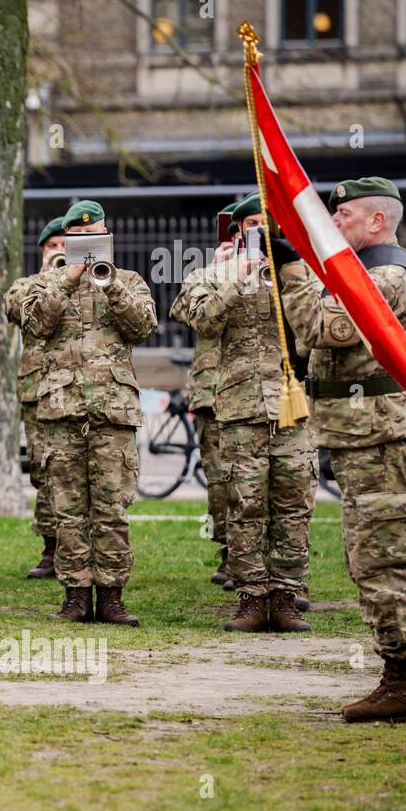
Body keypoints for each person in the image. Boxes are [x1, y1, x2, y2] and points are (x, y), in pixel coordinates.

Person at [280, 176, 406, 720]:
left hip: (382, 441)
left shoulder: (386, 276)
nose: (331, 225)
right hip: (362, 439)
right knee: (372, 557)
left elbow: (320, 328)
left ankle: (402, 679)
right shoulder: (357, 275)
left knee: (383, 560)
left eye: (343, 217)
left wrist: (291, 269)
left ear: (377, 221)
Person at [180, 193, 314, 633]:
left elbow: (315, 327)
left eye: (266, 224)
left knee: (293, 502)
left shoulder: (300, 273)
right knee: (245, 502)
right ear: (237, 230)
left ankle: (286, 595)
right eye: (251, 224)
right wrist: (238, 275)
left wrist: (290, 270)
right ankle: (252, 597)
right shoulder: (213, 273)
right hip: (237, 406)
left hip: (291, 404)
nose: (259, 230)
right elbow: (202, 320)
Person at [19, 199, 157, 625]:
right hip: (61, 411)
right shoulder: (47, 283)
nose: (86, 244)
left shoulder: (127, 280)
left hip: (112, 412)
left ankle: (112, 596)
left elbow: (144, 327)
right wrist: (68, 277)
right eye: (78, 238)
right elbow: (34, 325)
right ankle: (75, 594)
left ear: (106, 234)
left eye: (93, 236)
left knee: (111, 507)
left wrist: (109, 284)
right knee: (68, 508)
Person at [170, 204, 235, 591]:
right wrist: (221, 273)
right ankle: (230, 551)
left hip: (274, 397)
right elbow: (188, 313)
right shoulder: (205, 277)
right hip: (214, 393)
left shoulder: (284, 272)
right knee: (220, 480)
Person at [3, 216, 67, 579]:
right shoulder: (26, 286)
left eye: (64, 246)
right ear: (42, 251)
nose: (58, 252)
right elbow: (18, 312)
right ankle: (51, 547)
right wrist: (51, 278)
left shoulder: (94, 283)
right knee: (44, 470)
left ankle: (82, 548)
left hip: (76, 390)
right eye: (52, 247)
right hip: (38, 393)